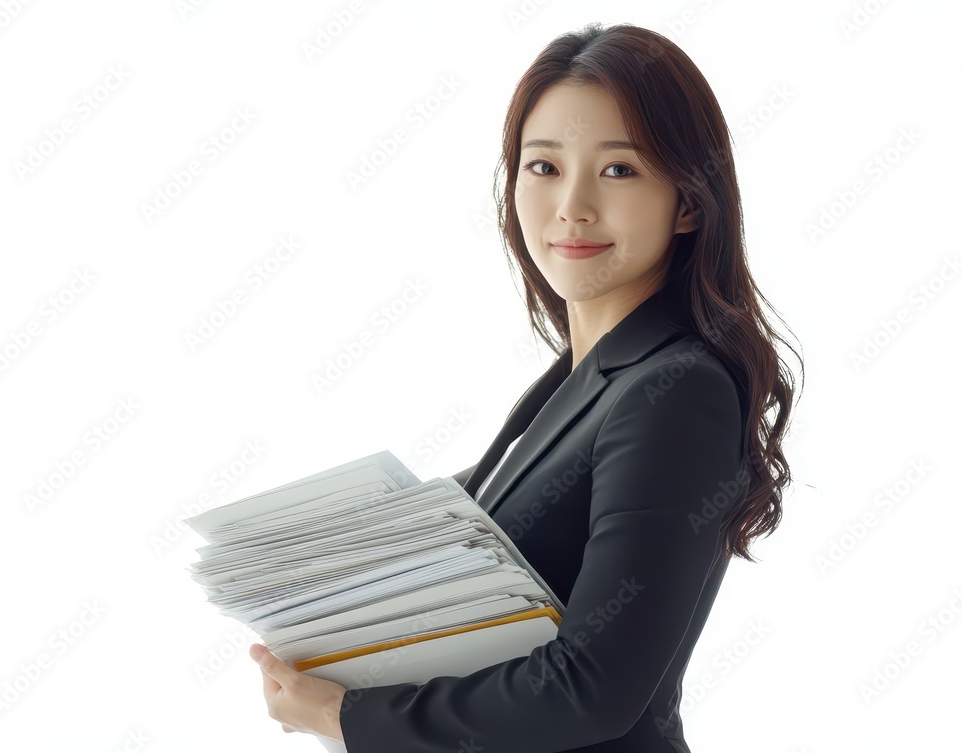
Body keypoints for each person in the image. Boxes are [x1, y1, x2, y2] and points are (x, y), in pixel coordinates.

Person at [249, 21, 802, 752]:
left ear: (690, 202)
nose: (571, 205)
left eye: (618, 170)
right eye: (543, 167)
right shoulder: (583, 378)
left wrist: (342, 715)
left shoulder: (676, 387)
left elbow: (591, 686)